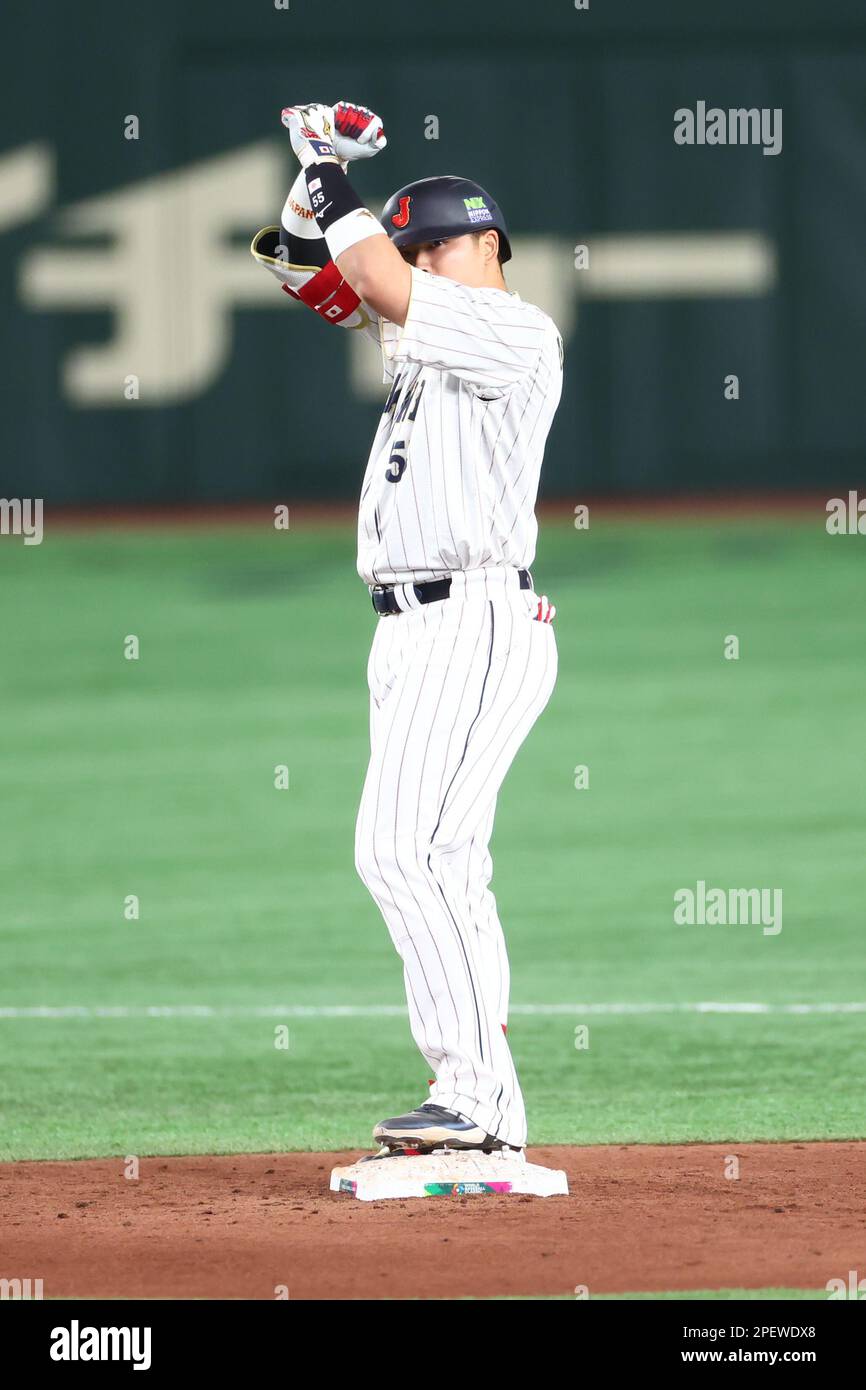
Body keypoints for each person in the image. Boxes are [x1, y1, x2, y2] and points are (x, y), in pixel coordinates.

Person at [252, 102, 563, 1157]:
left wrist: (322, 160)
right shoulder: (424, 341)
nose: (423, 259)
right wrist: (312, 184)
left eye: (439, 242)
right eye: (413, 242)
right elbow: (307, 271)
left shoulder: (511, 328)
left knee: (398, 850)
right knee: (447, 861)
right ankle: (488, 1112)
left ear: (489, 247)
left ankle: (471, 1097)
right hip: (412, 630)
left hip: (467, 616)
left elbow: (376, 278)